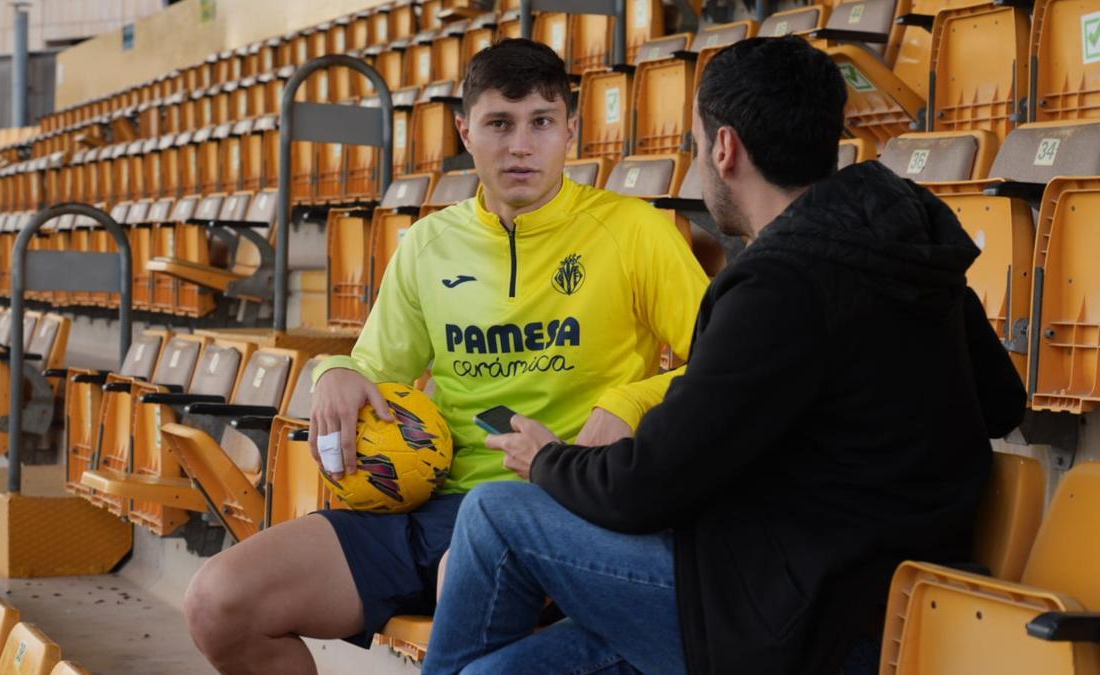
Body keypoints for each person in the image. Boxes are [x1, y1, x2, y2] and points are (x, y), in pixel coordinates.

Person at [423, 36, 1027, 675]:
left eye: (695, 143)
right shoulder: (900, 238)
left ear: (724, 147)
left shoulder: (779, 285)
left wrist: (548, 459)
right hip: (881, 596)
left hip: (799, 622)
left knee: (496, 510)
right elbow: (1002, 402)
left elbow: (648, 489)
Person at [182, 38, 711, 674]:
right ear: (465, 130)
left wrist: (628, 399)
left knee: (467, 578)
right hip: (433, 505)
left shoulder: (638, 232)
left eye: (541, 122)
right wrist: (337, 373)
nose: (520, 146)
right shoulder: (429, 243)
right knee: (220, 603)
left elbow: (722, 369)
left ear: (571, 130)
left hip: (563, 508)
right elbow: (375, 368)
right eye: (499, 123)